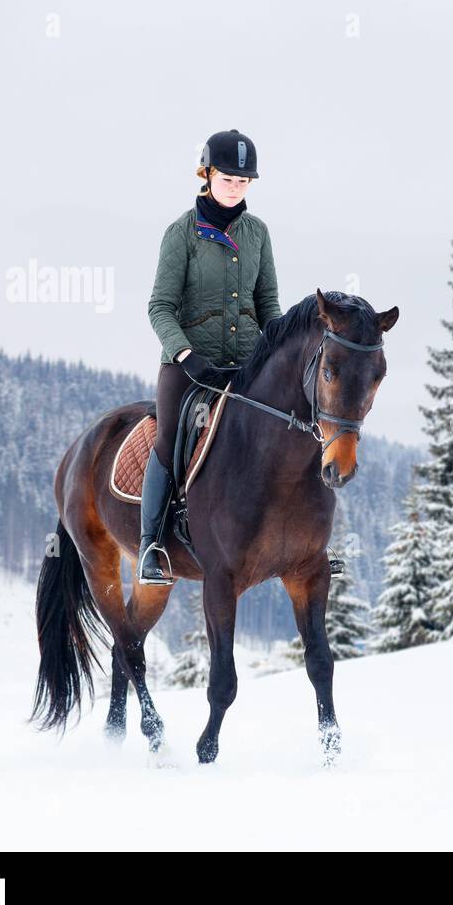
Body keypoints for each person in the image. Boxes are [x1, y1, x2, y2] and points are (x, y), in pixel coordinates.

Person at [138, 128, 281, 585]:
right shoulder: (180, 234)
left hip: (247, 363)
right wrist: (183, 352)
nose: (236, 188)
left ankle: (301, 538)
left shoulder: (258, 233)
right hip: (189, 365)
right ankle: (152, 545)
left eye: (244, 182)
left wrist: (277, 349)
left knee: (290, 427)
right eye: (228, 179)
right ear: (207, 175)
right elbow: (159, 306)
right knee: (170, 439)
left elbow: (268, 304)